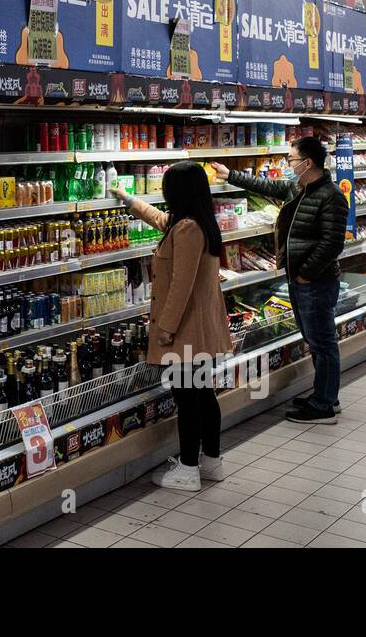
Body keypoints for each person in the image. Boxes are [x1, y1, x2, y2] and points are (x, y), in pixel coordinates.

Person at [110, 161, 234, 491]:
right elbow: (161, 220)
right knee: (203, 395)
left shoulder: (189, 229)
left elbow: (181, 283)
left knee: (189, 399)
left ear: (178, 192)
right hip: (200, 327)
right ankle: (211, 462)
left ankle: (188, 468)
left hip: (186, 330)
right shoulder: (194, 223)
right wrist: (129, 200)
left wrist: (166, 327)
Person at [210, 135, 346, 425]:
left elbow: (332, 243)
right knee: (314, 338)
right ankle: (324, 396)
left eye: (291, 159)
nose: (288, 164)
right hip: (301, 278)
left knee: (323, 341)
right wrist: (230, 175)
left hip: (316, 281)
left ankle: (324, 404)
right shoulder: (299, 189)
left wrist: (305, 273)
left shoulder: (331, 196)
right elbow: (267, 186)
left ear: (308, 163)